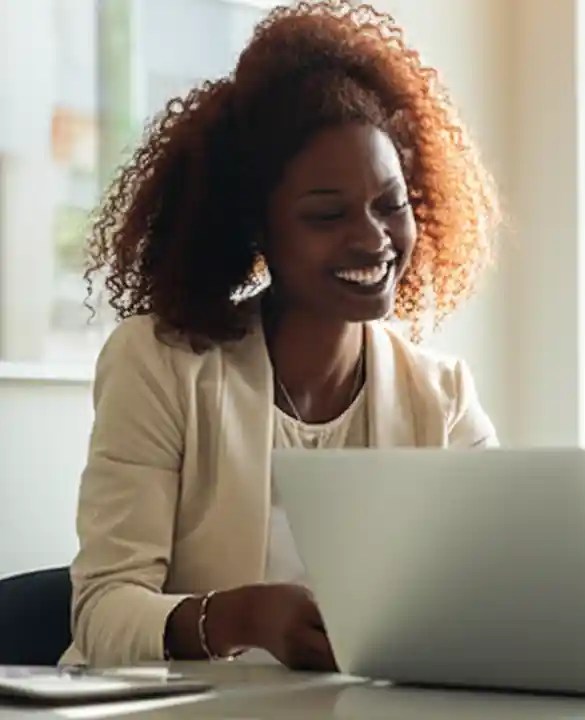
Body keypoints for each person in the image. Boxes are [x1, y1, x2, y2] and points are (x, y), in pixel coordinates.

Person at [66, 1, 498, 670]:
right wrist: (234, 617)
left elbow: (494, 594)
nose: (374, 238)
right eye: (327, 214)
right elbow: (103, 612)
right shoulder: (160, 364)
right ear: (258, 231)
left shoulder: (440, 397)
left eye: (391, 204)